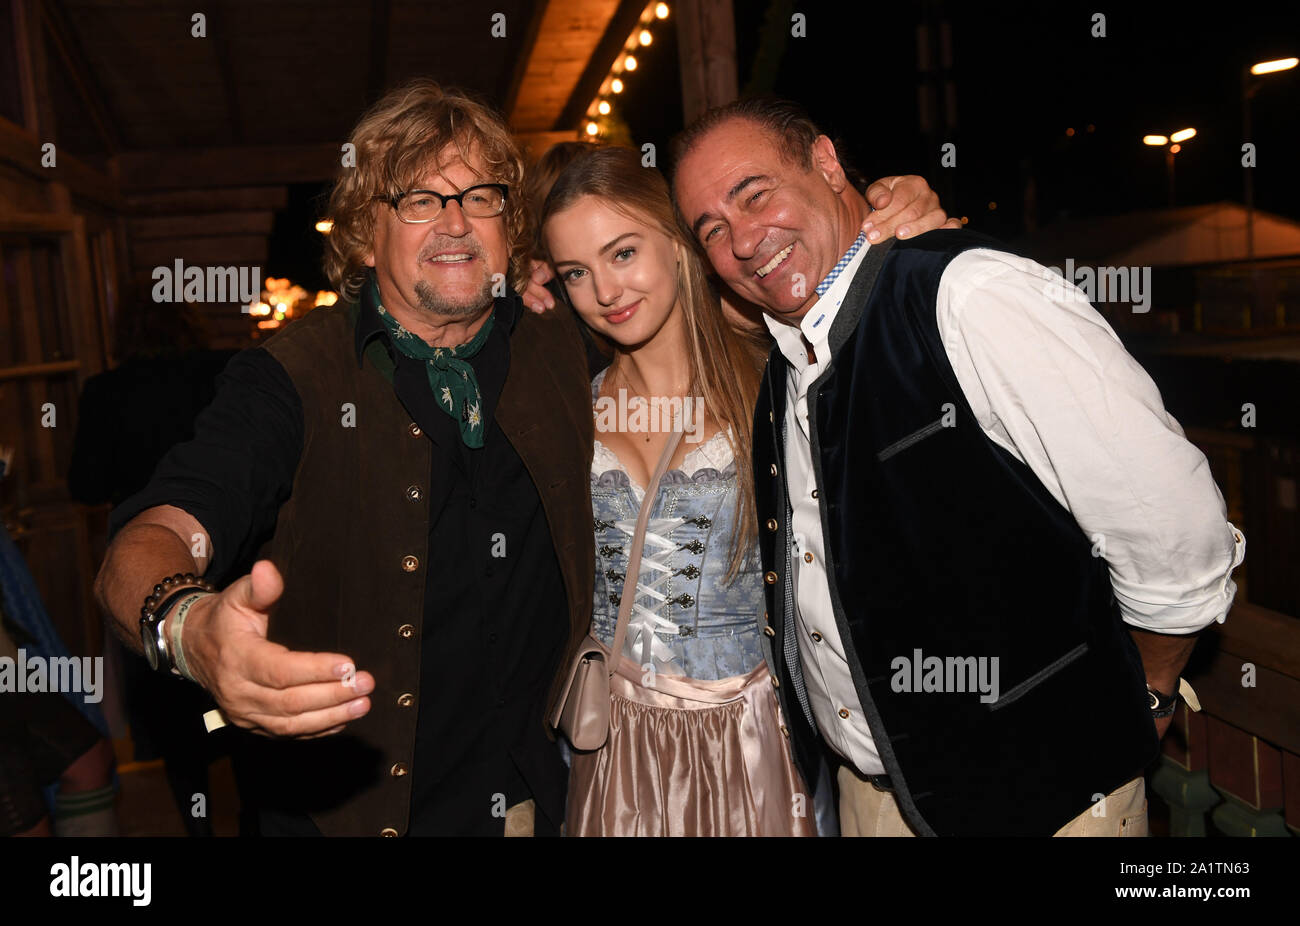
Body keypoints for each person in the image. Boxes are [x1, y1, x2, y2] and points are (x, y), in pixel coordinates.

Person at [670, 97, 1246, 836]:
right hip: (875, 796)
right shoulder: (784, 358)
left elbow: (1174, 527)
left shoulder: (968, 294)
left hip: (1045, 799)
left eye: (756, 195)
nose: (745, 240)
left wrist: (1154, 687)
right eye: (712, 229)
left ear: (825, 162)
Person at [94, 80, 595, 836]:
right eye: (418, 200)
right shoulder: (290, 380)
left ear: (510, 224)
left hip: (539, 800)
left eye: (481, 197)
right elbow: (148, 538)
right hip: (349, 817)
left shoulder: (565, 335)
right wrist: (191, 630)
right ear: (365, 235)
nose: (455, 221)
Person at [539, 147, 955, 835]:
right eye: (576, 272)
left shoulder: (776, 378)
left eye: (623, 253)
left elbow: (892, 303)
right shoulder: (561, 410)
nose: (604, 293)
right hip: (612, 747)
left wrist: (897, 204)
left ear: (679, 245)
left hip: (755, 740)